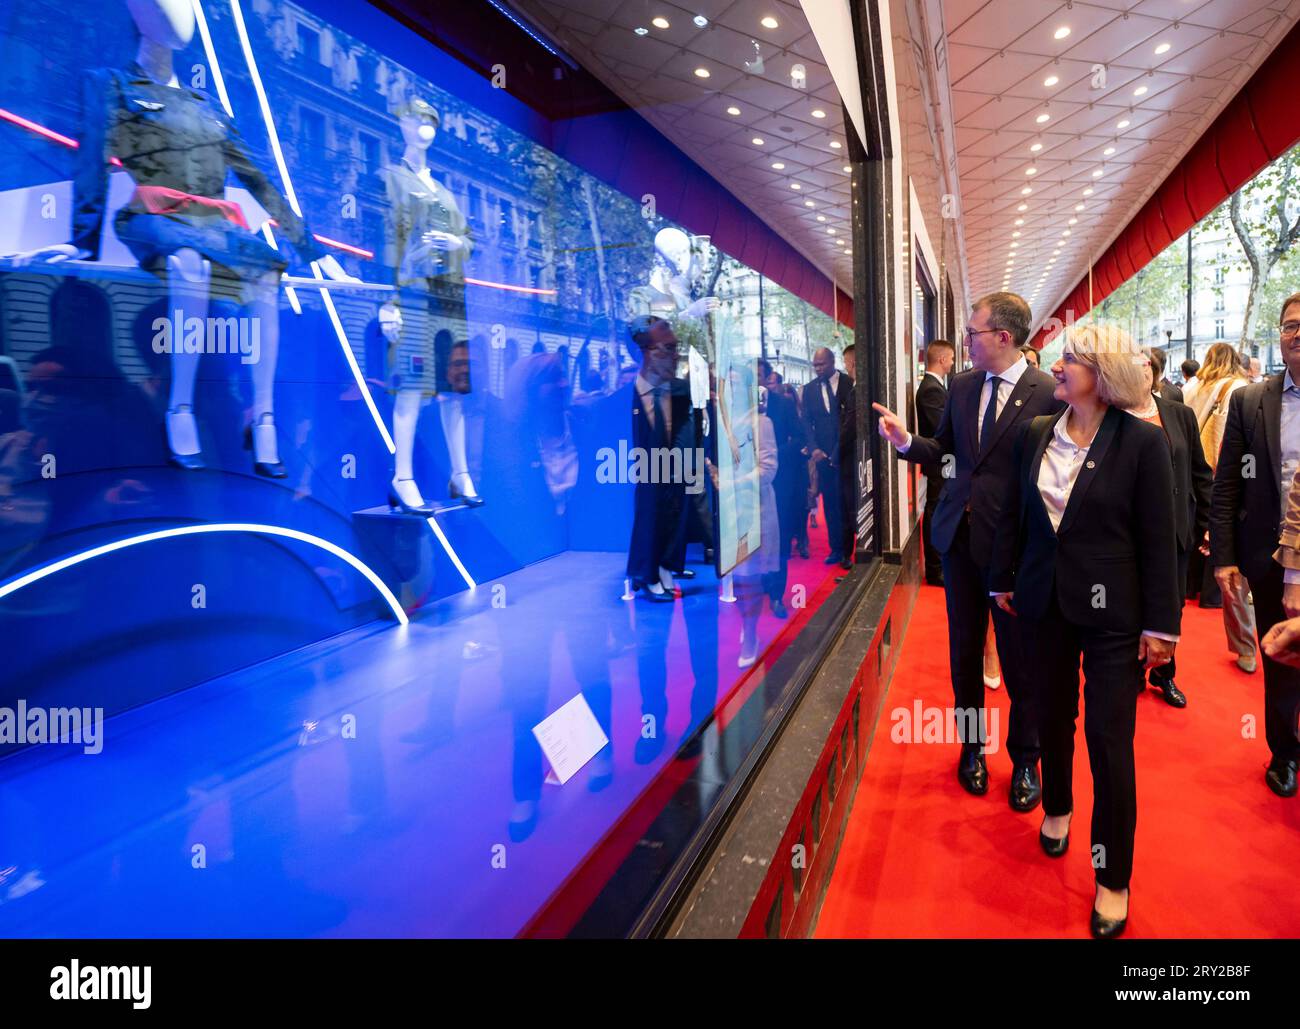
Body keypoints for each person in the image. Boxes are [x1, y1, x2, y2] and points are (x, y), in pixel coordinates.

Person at [989, 323, 1180, 939]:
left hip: (1114, 619)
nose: (1059, 365)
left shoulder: (1142, 443)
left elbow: (1161, 541)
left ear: (1105, 372)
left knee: (1109, 740)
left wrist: (1163, 627)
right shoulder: (1034, 434)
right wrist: (1003, 579)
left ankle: (1112, 877)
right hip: (1043, 604)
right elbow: (1017, 517)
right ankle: (1058, 808)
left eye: (1073, 358)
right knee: (1051, 718)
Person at [874, 292, 1063, 809]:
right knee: (963, 654)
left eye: (973, 333)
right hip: (959, 540)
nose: (965, 343)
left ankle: (1027, 759)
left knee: (1022, 660)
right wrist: (906, 441)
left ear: (1003, 337)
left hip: (1017, 551)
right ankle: (971, 747)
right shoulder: (961, 387)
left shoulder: (1049, 393)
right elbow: (947, 454)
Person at [1211, 293, 1300, 797]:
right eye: (1290, 326)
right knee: (1281, 658)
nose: (1298, 334)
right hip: (1269, 555)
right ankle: (1284, 752)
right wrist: (1224, 554)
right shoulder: (1250, 400)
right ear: (1279, 336)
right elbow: (1228, 482)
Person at [1119, 349, 1213, 707]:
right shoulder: (1113, 413)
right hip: (1126, 533)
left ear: (1154, 373)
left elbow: (1200, 473)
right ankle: (1131, 671)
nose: (1140, 372)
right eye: (1132, 367)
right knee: (1128, 603)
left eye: (1145, 366)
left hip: (1175, 531)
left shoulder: (1179, 414)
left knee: (1170, 606)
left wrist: (1206, 526)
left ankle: (1164, 673)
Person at [1190, 342, 1257, 670]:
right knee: (1235, 567)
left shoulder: (1196, 385)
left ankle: (1245, 645)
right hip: (1225, 476)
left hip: (1202, 475)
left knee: (1227, 566)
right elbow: (1225, 442)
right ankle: (1247, 643)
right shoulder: (1236, 389)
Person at [623, 316, 693, 603]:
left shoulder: (676, 392)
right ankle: (647, 574)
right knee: (648, 516)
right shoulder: (626, 396)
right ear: (649, 353)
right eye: (669, 347)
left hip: (671, 471)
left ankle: (664, 568)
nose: (676, 355)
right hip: (641, 473)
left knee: (672, 516)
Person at [801, 347, 854, 569]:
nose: (818, 369)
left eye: (821, 364)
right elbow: (806, 422)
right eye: (815, 365)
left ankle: (849, 550)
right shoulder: (810, 389)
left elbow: (850, 422)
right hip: (822, 456)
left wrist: (836, 451)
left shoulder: (848, 383)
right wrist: (814, 449)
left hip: (846, 453)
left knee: (847, 503)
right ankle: (837, 550)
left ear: (833, 362)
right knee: (830, 504)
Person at [760, 359, 801, 617]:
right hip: (751, 489)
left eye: (759, 377)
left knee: (780, 541)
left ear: (768, 378)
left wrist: (774, 456)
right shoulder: (737, 409)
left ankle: (777, 595)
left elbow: (798, 438)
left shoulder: (784, 405)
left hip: (781, 483)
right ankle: (763, 584)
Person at [916, 339, 954, 586]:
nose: (952, 363)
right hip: (938, 463)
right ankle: (934, 568)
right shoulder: (931, 388)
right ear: (941, 359)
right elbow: (941, 428)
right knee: (933, 513)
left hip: (943, 463)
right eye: (950, 358)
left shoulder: (936, 386)